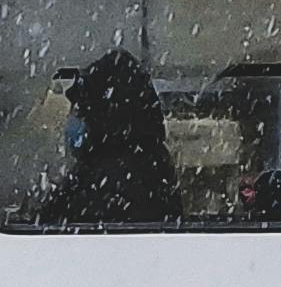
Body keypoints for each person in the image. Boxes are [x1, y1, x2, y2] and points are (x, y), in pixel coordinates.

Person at [39, 49, 183, 228]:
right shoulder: (148, 162)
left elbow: (61, 231)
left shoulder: (109, 181)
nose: (73, 119)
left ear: (100, 117)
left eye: (80, 111)